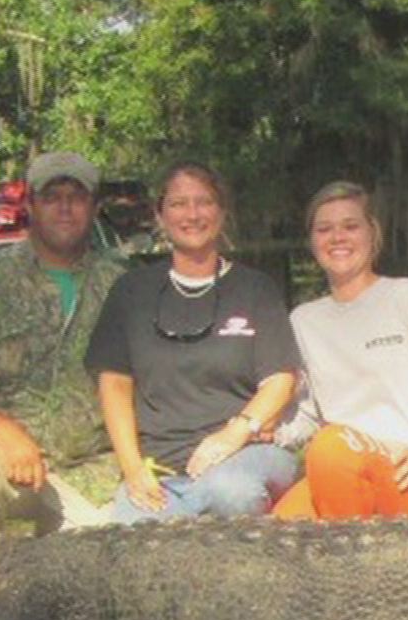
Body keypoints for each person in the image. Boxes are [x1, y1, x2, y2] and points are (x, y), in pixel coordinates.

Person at [0, 151, 128, 537]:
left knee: (96, 563)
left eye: (77, 197)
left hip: (95, 468)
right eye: (51, 197)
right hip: (4, 454)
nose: (64, 208)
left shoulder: (123, 282)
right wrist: (5, 434)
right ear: (29, 205)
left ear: (95, 207)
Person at [83, 162, 299, 522]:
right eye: (179, 204)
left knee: (231, 492)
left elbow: (281, 381)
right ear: (160, 215)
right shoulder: (131, 292)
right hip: (160, 468)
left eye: (204, 202)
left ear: (222, 213)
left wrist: (233, 434)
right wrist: (133, 469)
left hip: (243, 454)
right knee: (135, 528)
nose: (192, 214)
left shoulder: (256, 289)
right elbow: (114, 385)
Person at [271, 181, 408, 519]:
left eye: (351, 226)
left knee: (330, 446)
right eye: (324, 229)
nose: (337, 237)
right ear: (312, 241)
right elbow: (307, 412)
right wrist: (270, 431)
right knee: (277, 531)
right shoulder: (303, 320)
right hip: (336, 471)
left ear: (373, 234)